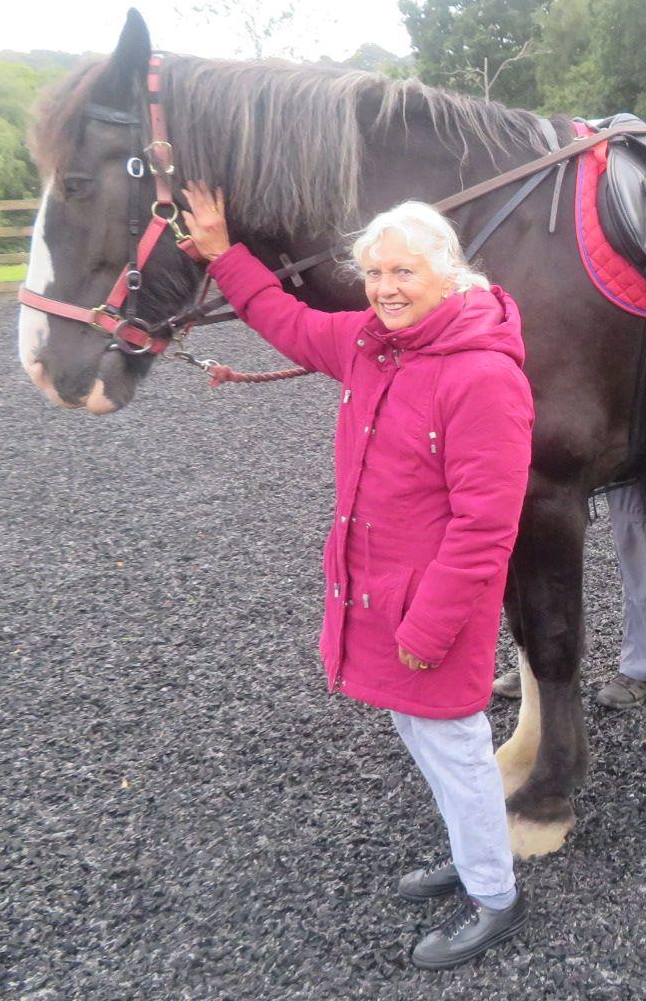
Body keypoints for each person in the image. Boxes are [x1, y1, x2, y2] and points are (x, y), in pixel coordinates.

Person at [182, 186, 535, 971]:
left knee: (455, 743)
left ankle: (496, 893)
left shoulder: (483, 377)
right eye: (374, 272)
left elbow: (486, 529)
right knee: (423, 734)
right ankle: (473, 851)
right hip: (378, 593)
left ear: (449, 272)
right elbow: (289, 322)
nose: (385, 288)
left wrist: (429, 626)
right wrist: (221, 255)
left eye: (403, 271)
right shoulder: (373, 342)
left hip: (426, 610)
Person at [491, 476, 646, 710]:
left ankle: (644, 665)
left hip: (631, 448)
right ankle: (549, 660)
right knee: (548, 527)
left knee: (637, 534)